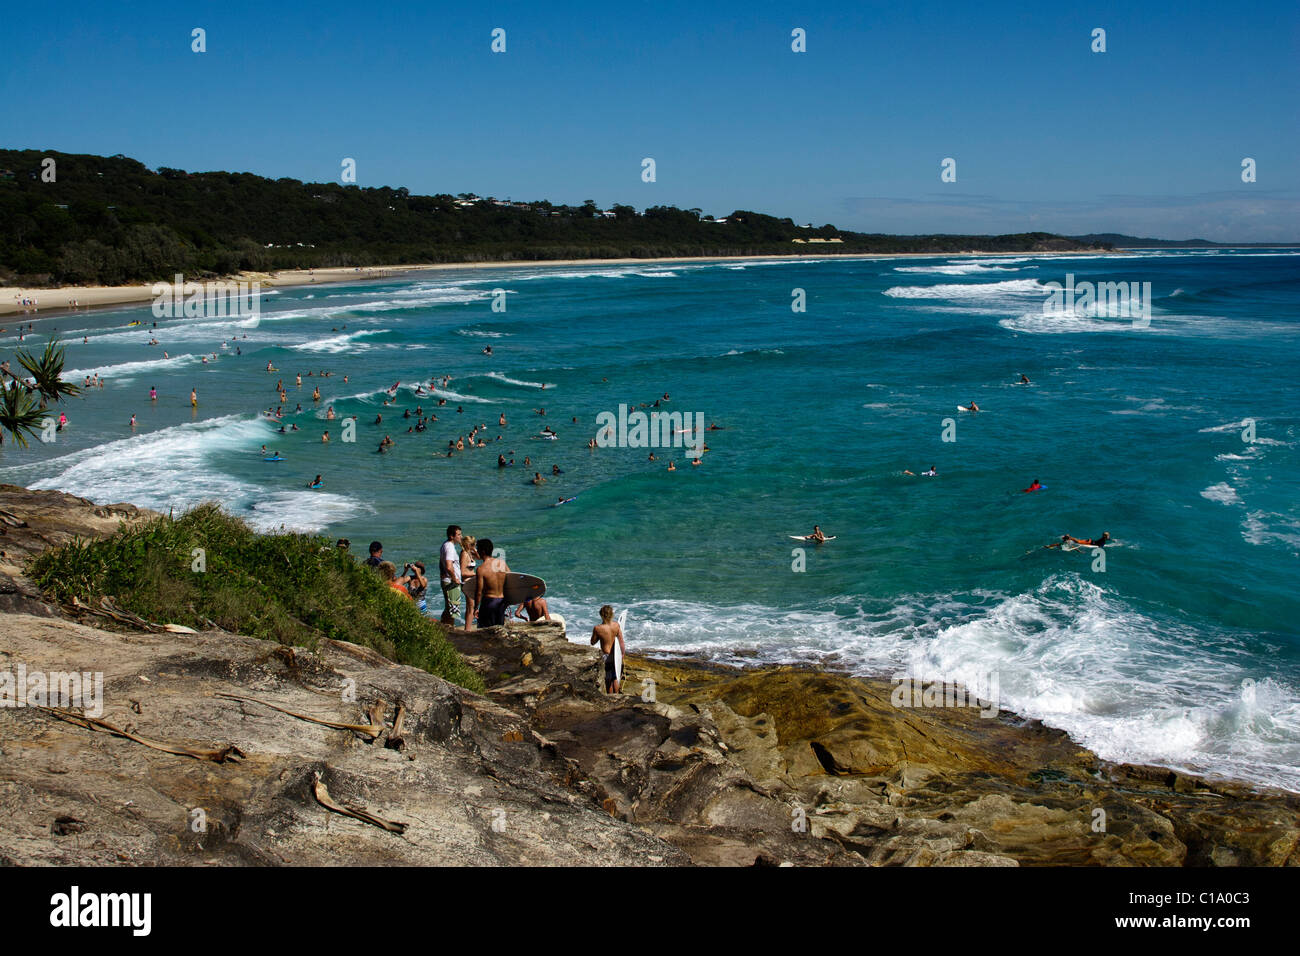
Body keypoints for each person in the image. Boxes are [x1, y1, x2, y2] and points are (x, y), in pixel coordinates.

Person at [474, 538, 510, 628]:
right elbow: (511, 580)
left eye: (477, 549)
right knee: (500, 630)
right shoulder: (502, 563)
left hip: (489, 603)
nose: (476, 552)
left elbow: (479, 592)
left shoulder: (481, 569)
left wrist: (475, 608)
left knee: (486, 632)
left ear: (482, 551)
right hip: (501, 602)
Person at [590, 605, 626, 694]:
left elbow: (592, 642)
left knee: (608, 680)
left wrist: (599, 636)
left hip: (606, 657)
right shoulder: (616, 626)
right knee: (615, 677)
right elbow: (621, 642)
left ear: (601, 615)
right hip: (615, 655)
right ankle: (617, 696)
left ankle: (610, 698)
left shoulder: (598, 628)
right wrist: (622, 654)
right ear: (612, 615)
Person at [439, 526, 463, 625]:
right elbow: (449, 566)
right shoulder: (449, 547)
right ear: (451, 536)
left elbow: (441, 562)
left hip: (446, 579)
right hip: (451, 581)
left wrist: (442, 573)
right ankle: (449, 630)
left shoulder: (445, 545)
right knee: (452, 610)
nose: (461, 537)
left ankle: (442, 628)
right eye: (458, 535)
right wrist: (454, 579)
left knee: (449, 608)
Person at [459, 537, 479, 629]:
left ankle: (467, 628)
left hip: (471, 582)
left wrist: (474, 549)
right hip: (467, 583)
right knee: (471, 607)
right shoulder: (464, 554)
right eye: (472, 544)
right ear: (468, 545)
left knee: (470, 607)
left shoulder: (469, 553)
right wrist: (475, 574)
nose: (474, 546)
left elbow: (479, 557)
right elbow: (462, 572)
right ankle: (467, 629)